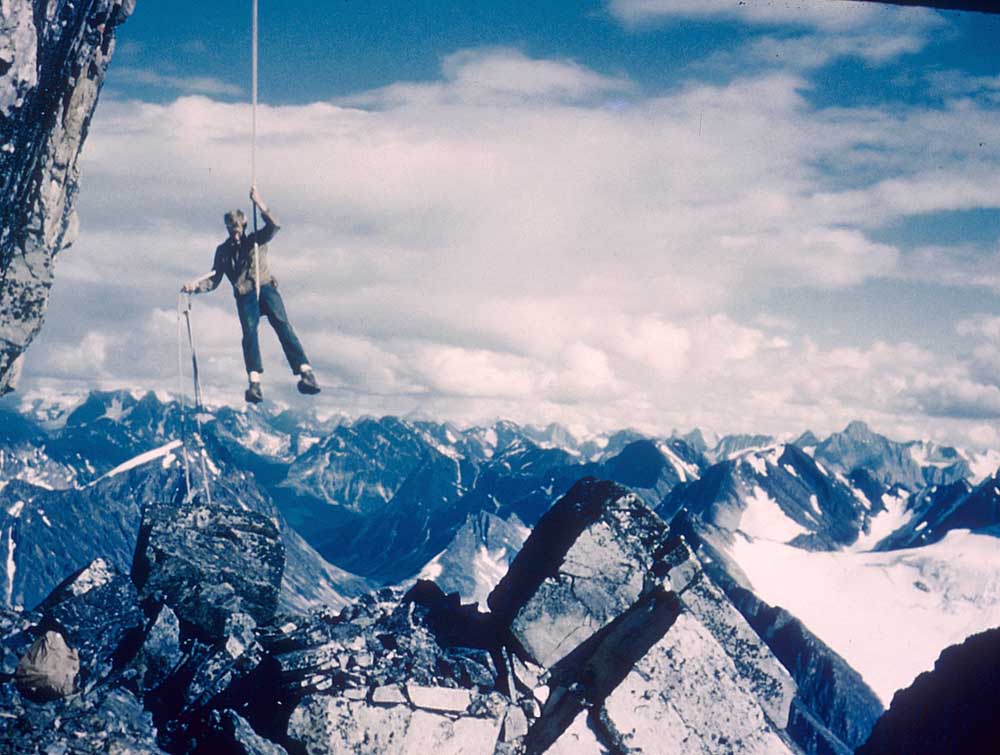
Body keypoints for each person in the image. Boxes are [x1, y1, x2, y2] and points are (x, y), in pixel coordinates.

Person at [182, 187, 320, 403]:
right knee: (249, 333)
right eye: (231, 230)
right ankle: (254, 383)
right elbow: (215, 279)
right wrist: (195, 287)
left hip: (265, 286)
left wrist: (259, 203)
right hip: (245, 293)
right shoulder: (223, 251)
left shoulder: (256, 240)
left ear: (244, 226)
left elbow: (275, 226)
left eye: (237, 229)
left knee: (282, 324)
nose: (235, 234)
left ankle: (306, 372)